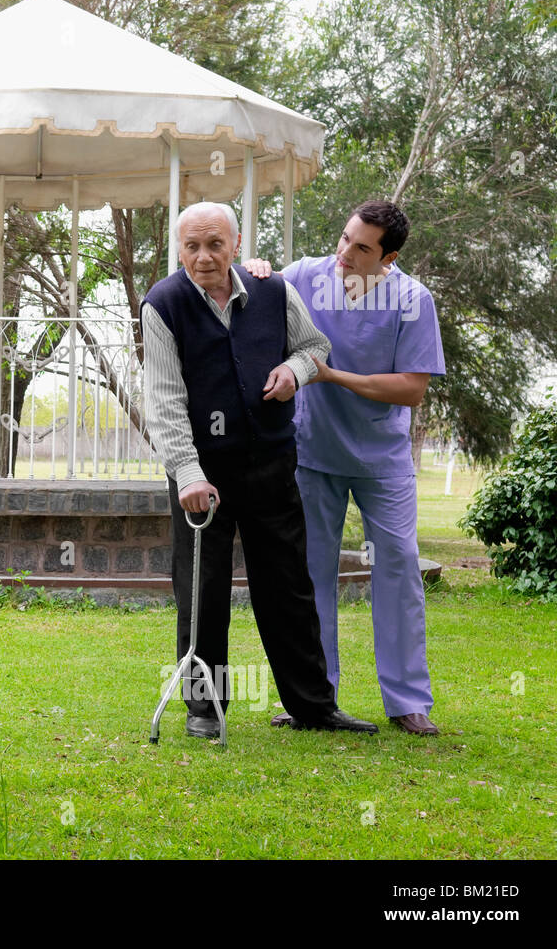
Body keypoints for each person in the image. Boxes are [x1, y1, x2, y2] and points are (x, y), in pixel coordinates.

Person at [141, 201, 378, 738]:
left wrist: (295, 371)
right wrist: (188, 472)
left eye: (215, 245)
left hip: (271, 464)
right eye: (192, 246)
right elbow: (164, 399)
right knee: (203, 592)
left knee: (288, 588)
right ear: (179, 249)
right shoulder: (162, 305)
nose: (203, 257)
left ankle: (313, 707)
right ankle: (205, 708)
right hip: (203, 473)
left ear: (237, 243)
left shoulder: (273, 291)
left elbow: (315, 346)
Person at [243, 200, 446, 736]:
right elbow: (256, 290)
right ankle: (313, 697)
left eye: (362, 248)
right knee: (308, 576)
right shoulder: (309, 276)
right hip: (313, 455)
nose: (346, 254)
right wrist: (259, 270)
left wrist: (334, 377)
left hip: (382, 462)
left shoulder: (411, 300)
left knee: (398, 569)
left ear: (389, 257)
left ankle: (407, 701)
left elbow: (413, 389)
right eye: (344, 238)